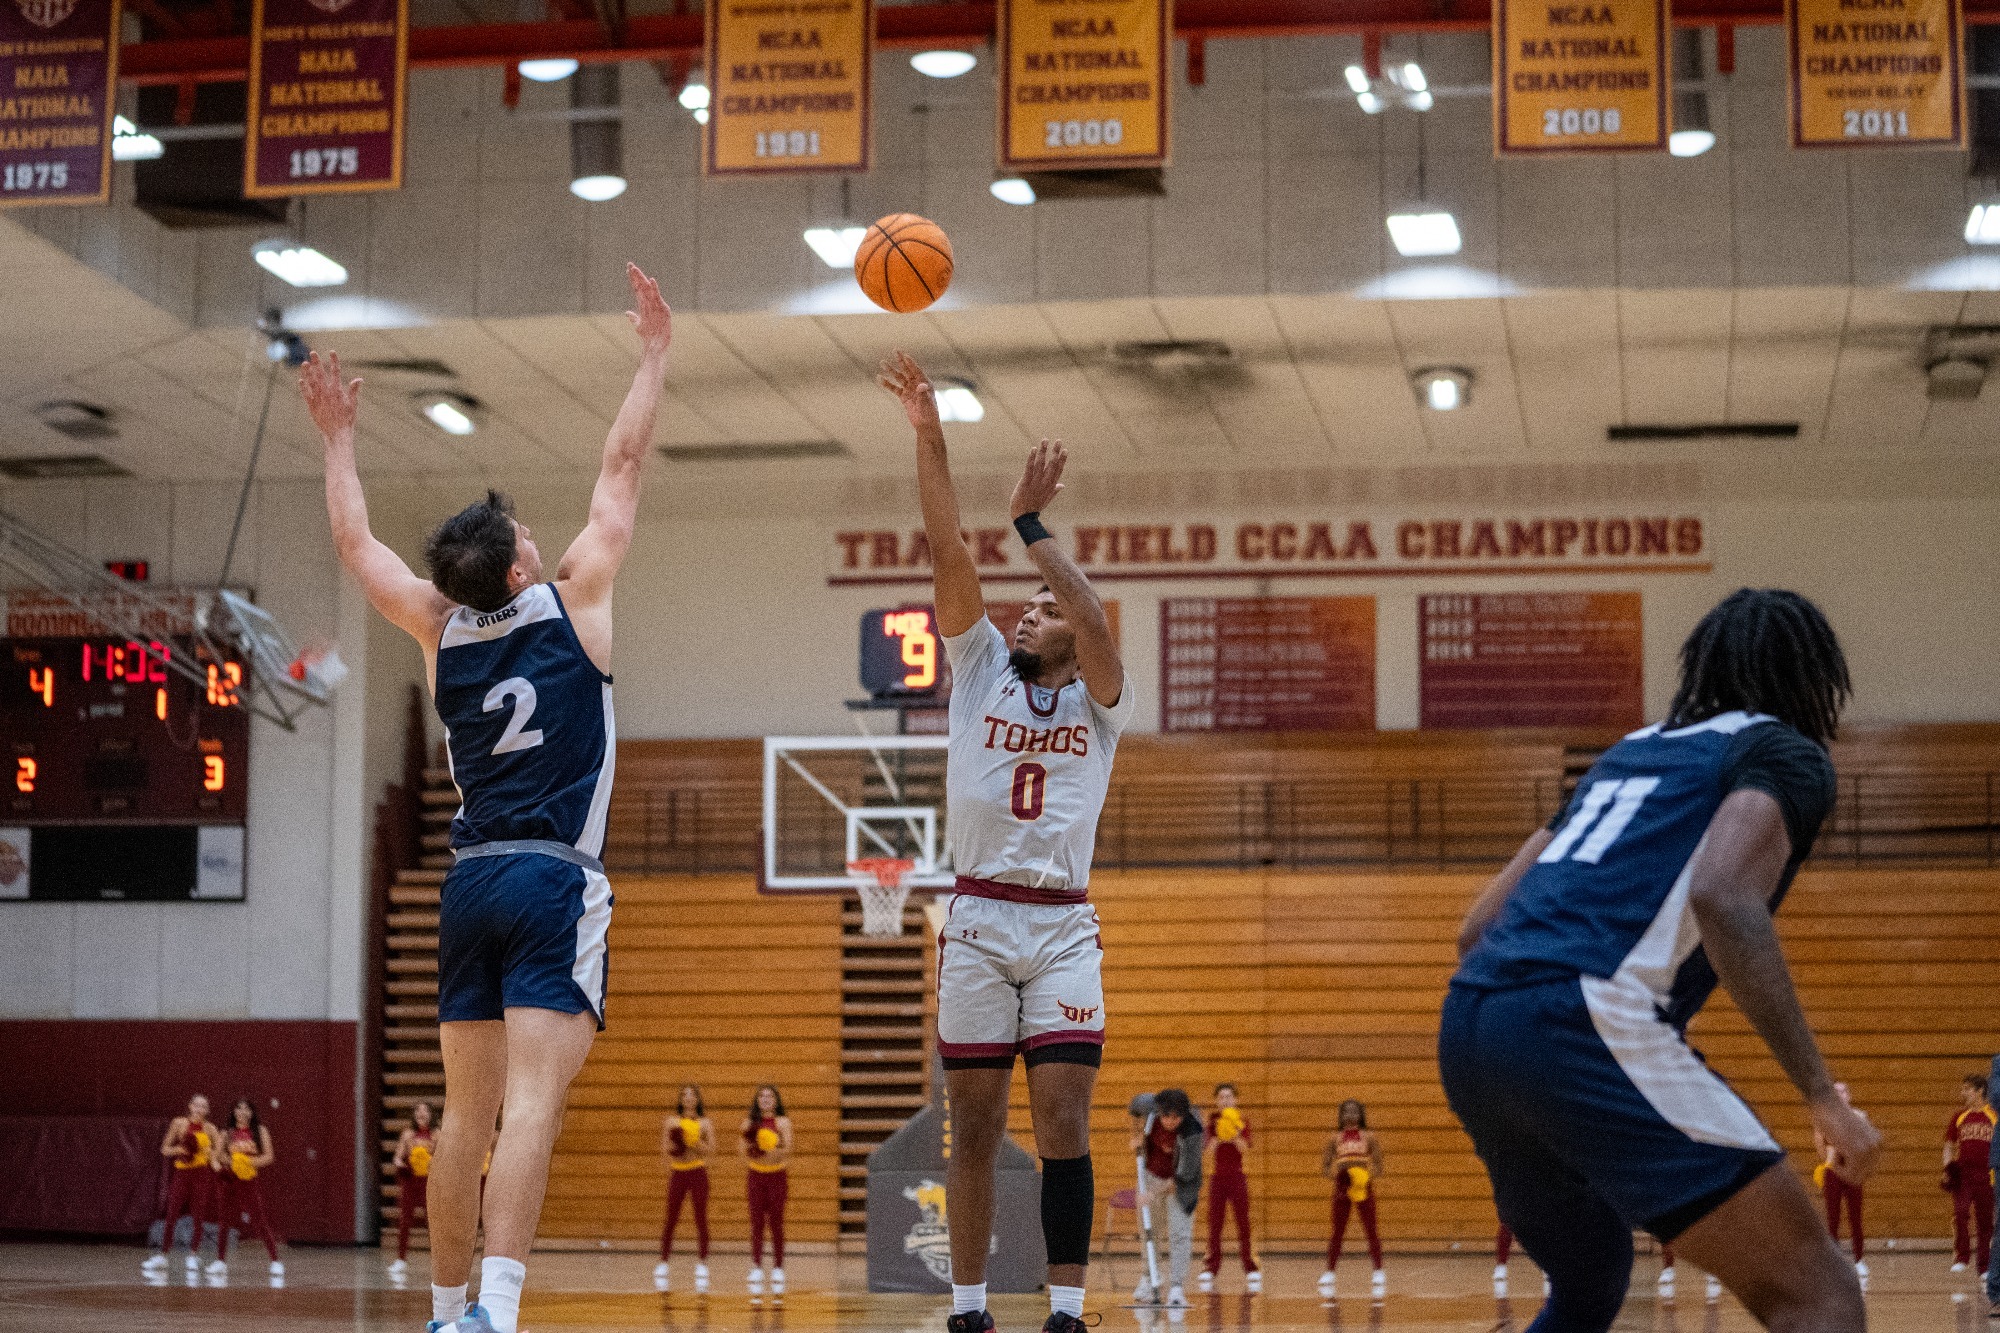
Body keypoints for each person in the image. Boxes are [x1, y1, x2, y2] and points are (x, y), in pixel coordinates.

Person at [301, 261, 674, 1333]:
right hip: (553, 879)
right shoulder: (577, 594)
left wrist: (337, 441)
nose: (531, 537)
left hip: (463, 884)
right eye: (519, 538)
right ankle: (496, 1315)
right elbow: (621, 460)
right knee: (533, 1107)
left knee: (462, 1116)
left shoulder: (438, 627)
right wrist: (652, 354)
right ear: (518, 571)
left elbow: (352, 545)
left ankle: (446, 1307)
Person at [1440, 588, 1879, 1333]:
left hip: (1473, 1022)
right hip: (1584, 1017)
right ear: (1813, 678)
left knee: (1591, 1273)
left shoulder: (1630, 753)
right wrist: (1820, 1095)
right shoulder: (1781, 751)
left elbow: (1478, 927)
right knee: (1821, 1297)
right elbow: (1722, 896)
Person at [878, 352, 1133, 1333]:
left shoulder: (1102, 696)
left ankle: (1066, 1308)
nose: (1025, 611)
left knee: (1062, 1117)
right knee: (974, 1124)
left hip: (1063, 926)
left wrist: (1034, 529)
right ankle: (970, 1308)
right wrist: (929, 436)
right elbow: (950, 554)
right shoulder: (979, 667)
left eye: (1041, 607)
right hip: (979, 917)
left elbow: (1097, 615)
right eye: (1026, 603)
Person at [1131, 1089, 1202, 1307]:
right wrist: (1136, 1139)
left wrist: (1152, 1193)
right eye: (1166, 1116)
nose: (1170, 1121)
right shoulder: (1150, 1112)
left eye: (1176, 1117)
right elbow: (1134, 1110)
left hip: (1181, 1186)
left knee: (1180, 1234)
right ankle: (1149, 1277)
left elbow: (1184, 1175)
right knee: (1149, 1232)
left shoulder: (1193, 1132)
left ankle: (1177, 1287)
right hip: (1151, 1177)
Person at [142, 1093, 221, 1275]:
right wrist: (180, 1149)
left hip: (201, 1174)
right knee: (172, 1212)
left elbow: (218, 1150)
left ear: (207, 1110)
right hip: (182, 1173)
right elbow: (165, 1148)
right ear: (190, 1106)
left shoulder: (210, 1128)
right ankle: (162, 1255)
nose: (200, 1109)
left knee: (198, 1214)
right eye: (197, 1105)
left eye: (204, 1106)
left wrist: (210, 1154)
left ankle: (193, 1255)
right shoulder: (179, 1123)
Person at [1316, 1100, 1384, 1298]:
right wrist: (1336, 1176)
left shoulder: (1369, 1137)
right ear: (1341, 1115)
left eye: (1355, 1111)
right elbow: (1325, 1165)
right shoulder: (1335, 1138)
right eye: (1346, 1112)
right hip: (1342, 1186)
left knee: (1371, 1228)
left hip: (1362, 1186)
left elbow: (1379, 1164)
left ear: (1361, 1115)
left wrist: (1366, 1177)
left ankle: (1378, 1270)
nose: (1351, 1115)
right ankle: (1330, 1271)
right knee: (1337, 1230)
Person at [1198, 1083, 1259, 1294]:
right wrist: (1218, 1133)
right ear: (1217, 1100)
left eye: (1229, 1097)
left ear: (1235, 1100)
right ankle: (1211, 1267)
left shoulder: (1242, 1121)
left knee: (1243, 1222)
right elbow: (1208, 1149)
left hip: (1237, 1177)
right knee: (1215, 1223)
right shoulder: (1212, 1121)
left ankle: (1250, 1266)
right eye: (1221, 1097)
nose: (1225, 1100)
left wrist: (1233, 1132)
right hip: (1218, 1179)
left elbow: (1245, 1147)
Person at [212, 1097, 282, 1275]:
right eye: (239, 1108)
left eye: (247, 1109)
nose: (243, 1112)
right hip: (230, 1180)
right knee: (224, 1221)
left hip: (249, 1179)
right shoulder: (227, 1133)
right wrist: (228, 1162)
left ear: (252, 1113)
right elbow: (217, 1155)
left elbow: (269, 1156)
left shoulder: (260, 1131)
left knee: (259, 1219)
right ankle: (220, 1261)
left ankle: (275, 1260)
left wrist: (248, 1161)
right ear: (234, 1112)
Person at [657, 1084, 714, 1292]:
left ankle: (702, 1262)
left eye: (692, 1095)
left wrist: (695, 1142)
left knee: (700, 1217)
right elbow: (666, 1148)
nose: (689, 1098)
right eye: (685, 1095)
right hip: (678, 1172)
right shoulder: (672, 1121)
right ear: (680, 1099)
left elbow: (710, 1151)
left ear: (698, 1099)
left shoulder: (705, 1123)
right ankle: (663, 1261)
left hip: (698, 1172)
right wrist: (679, 1144)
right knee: (671, 1216)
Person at [740, 1085, 792, 1297]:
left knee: (776, 1222)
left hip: (777, 1176)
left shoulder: (783, 1122)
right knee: (757, 1222)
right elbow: (742, 1151)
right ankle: (757, 1266)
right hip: (756, 1176)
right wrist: (755, 1148)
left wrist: (774, 1143)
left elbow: (788, 1150)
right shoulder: (748, 1123)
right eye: (762, 1096)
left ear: (776, 1100)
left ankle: (778, 1268)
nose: (766, 1099)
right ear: (757, 1100)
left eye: (770, 1096)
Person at [1814, 1082, 1869, 1279]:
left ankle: (1859, 1259)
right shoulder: (1824, 1118)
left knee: (1855, 1217)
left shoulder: (1860, 1116)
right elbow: (1819, 1142)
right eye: (1835, 1092)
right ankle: (1833, 1262)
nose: (1839, 1094)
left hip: (1853, 1171)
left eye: (1843, 1091)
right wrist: (1830, 1163)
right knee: (1832, 1217)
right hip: (1834, 1171)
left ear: (1849, 1095)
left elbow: (1865, 1142)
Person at [1946, 1074, 1996, 1276]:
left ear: (1980, 1091)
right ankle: (1962, 1257)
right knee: (1960, 1213)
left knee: (1985, 1222)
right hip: (1964, 1175)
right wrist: (1947, 1167)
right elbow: (1949, 1145)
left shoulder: (1993, 1116)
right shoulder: (1959, 1117)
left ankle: (1984, 1266)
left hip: (1986, 1175)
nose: (1963, 1093)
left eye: (1967, 1089)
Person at [391, 1102, 439, 1278]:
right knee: (405, 1220)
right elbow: (397, 1157)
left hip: (429, 1183)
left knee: (433, 1224)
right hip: (411, 1182)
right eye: (418, 1111)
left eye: (425, 1110)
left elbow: (442, 1159)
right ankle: (401, 1259)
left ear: (431, 1115)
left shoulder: (437, 1135)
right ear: (414, 1115)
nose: (421, 1113)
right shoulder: (407, 1134)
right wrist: (402, 1164)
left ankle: (438, 1262)